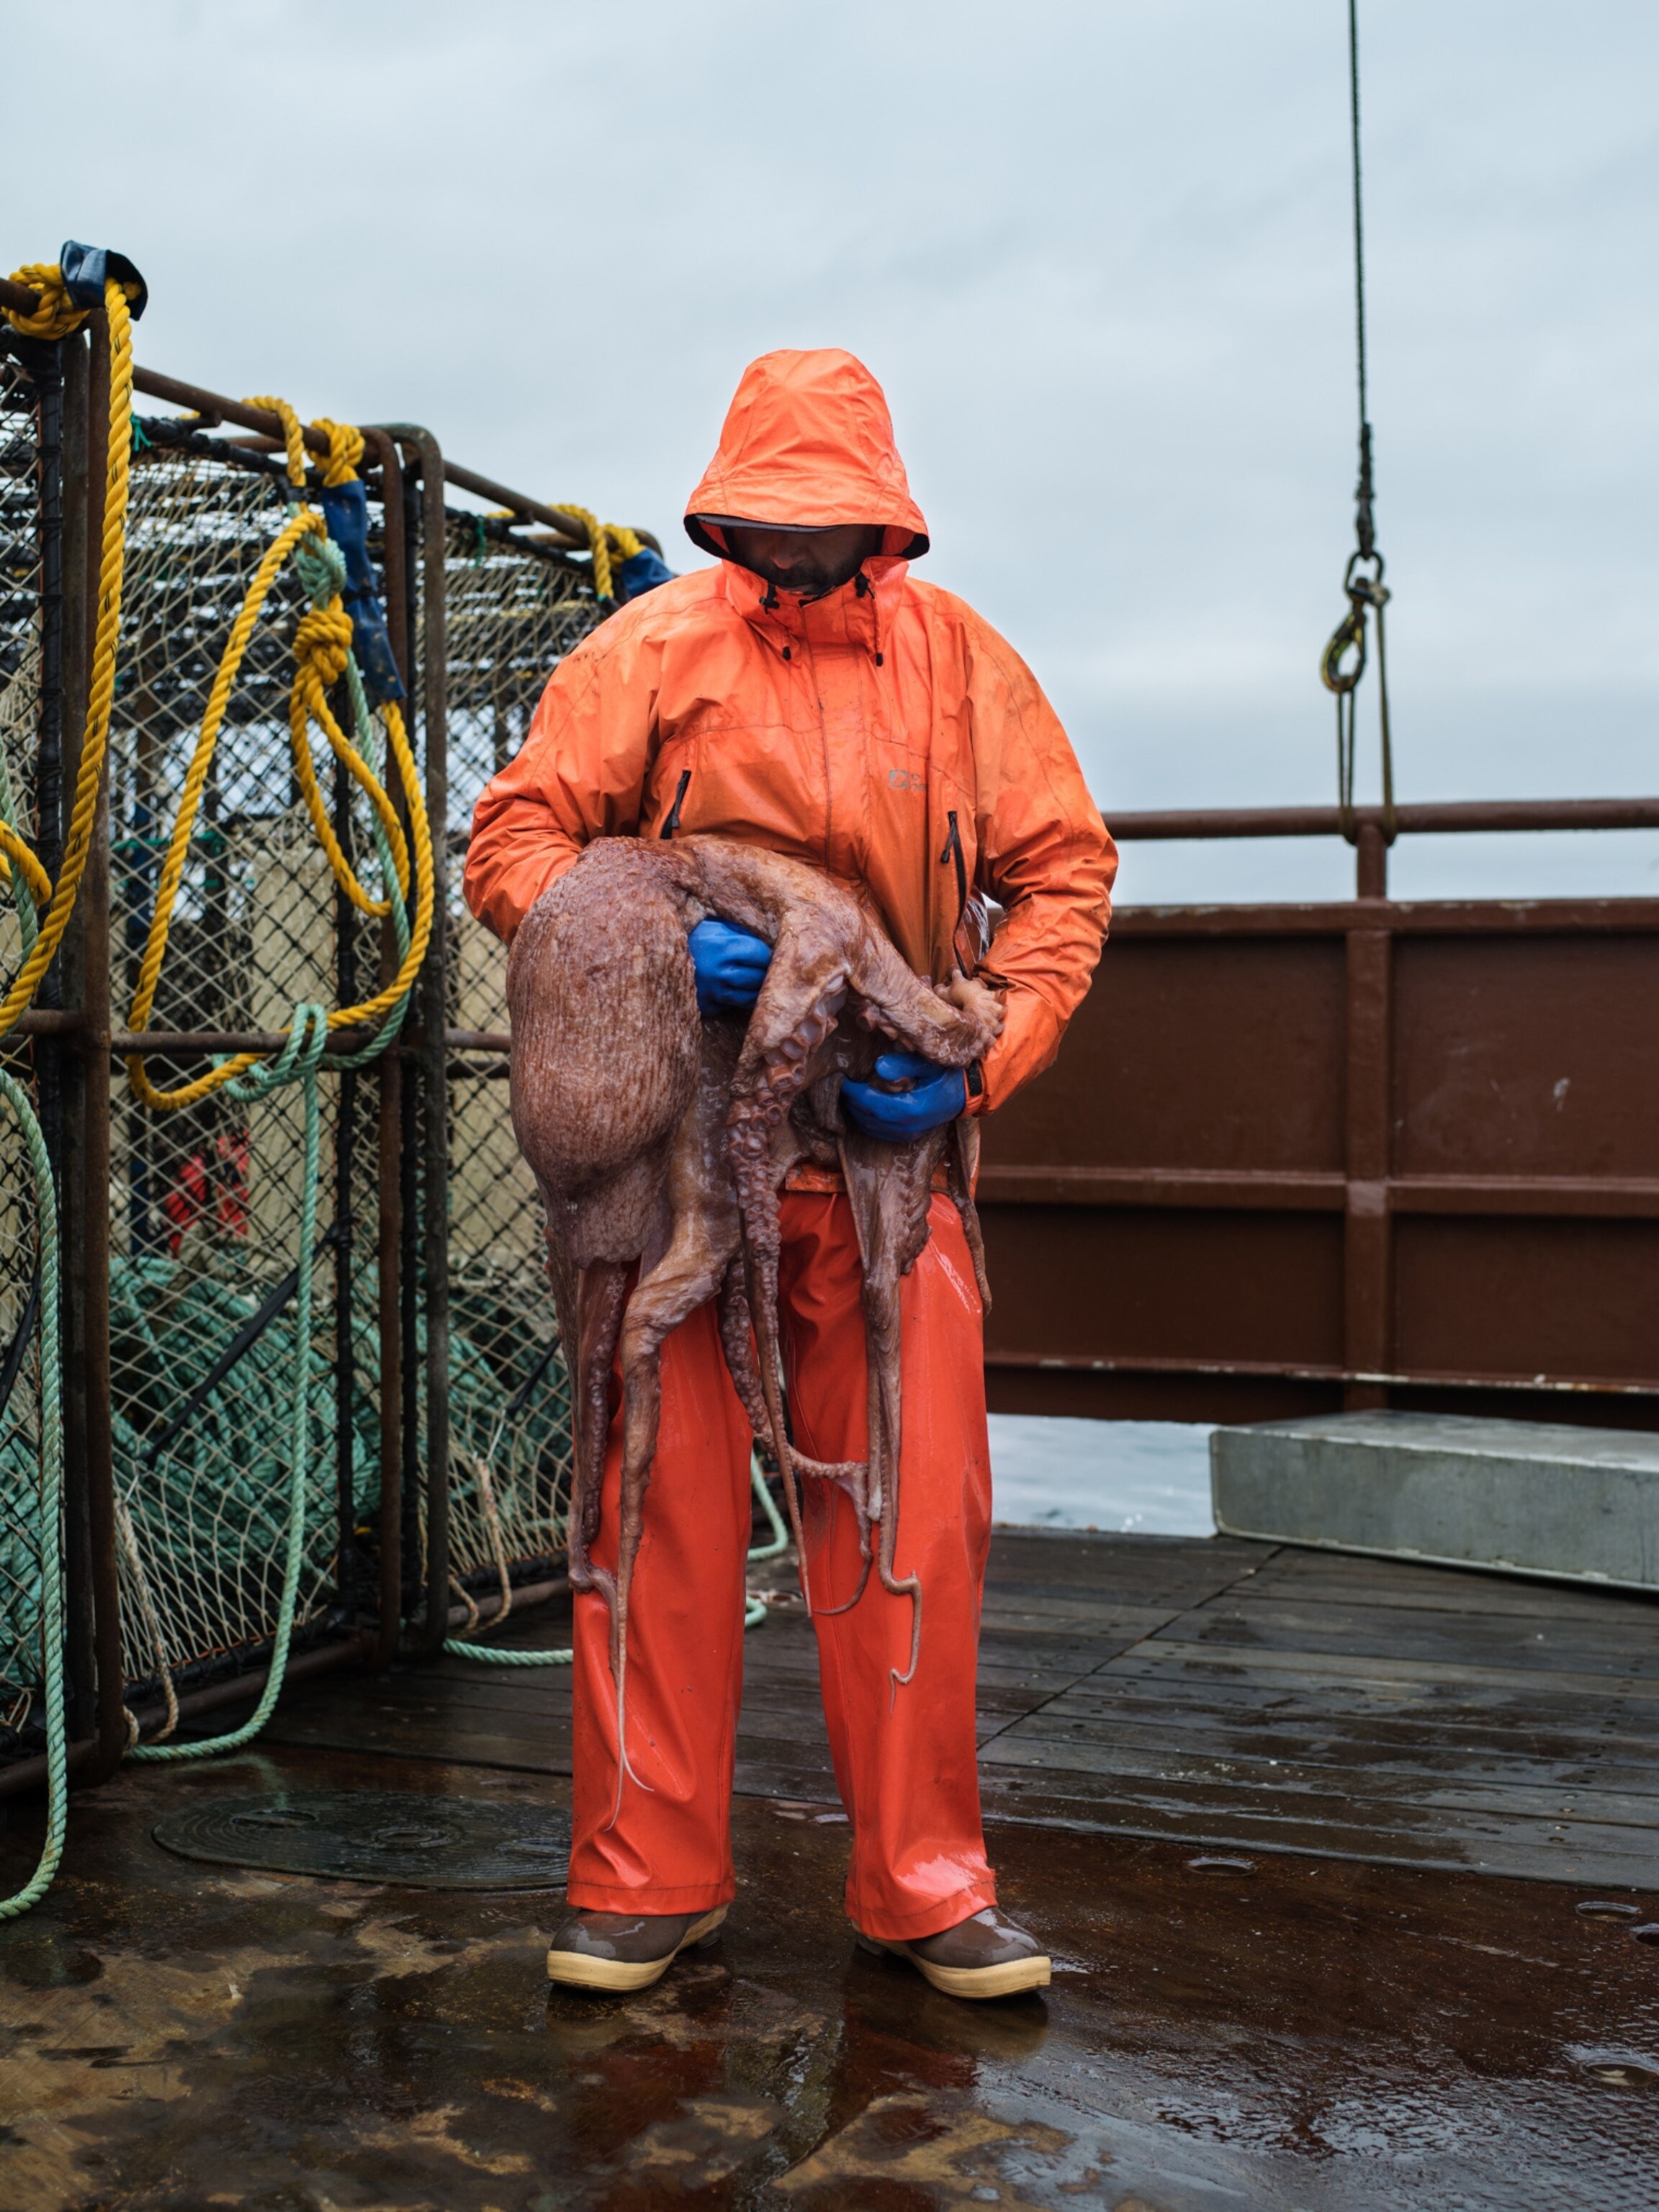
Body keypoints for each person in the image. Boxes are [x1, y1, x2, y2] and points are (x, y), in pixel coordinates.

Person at [464, 349, 1116, 2000]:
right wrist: (665, 947)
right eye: (769, 526)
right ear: (728, 511)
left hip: (891, 1170)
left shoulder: (964, 666)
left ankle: (923, 1886)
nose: (798, 555)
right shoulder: (652, 651)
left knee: (917, 1521)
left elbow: (1064, 880)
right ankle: (640, 1881)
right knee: (646, 1505)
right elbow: (519, 845)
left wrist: (971, 1054)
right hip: (677, 1159)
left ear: (883, 525)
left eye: (831, 529)